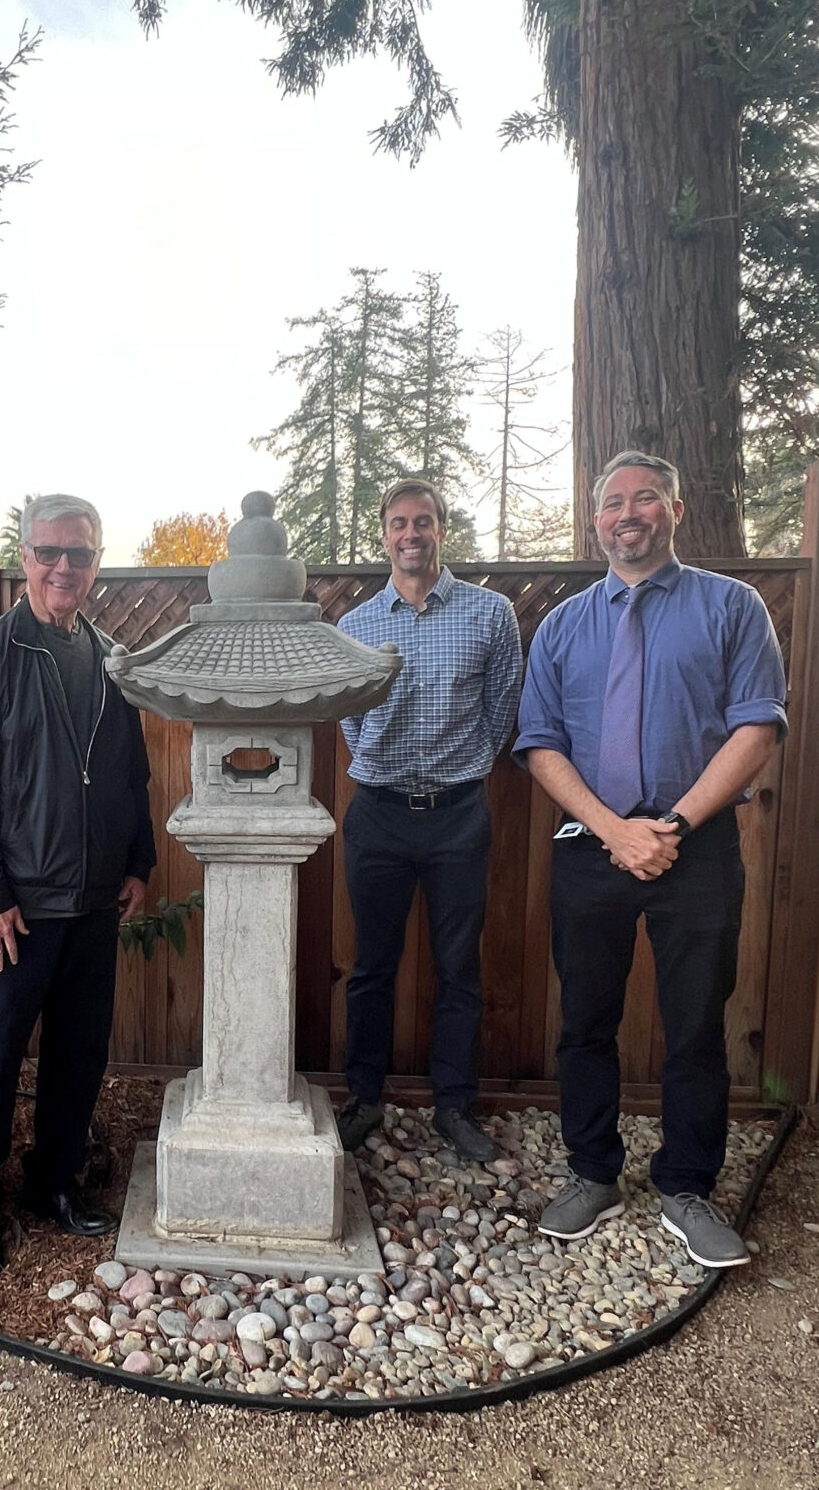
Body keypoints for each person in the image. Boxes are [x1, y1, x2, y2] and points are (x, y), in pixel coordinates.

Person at [515, 452, 786, 1268]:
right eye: (612, 503)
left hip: (695, 851)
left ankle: (687, 1187)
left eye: (644, 499)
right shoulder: (563, 625)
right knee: (585, 1021)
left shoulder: (731, 607)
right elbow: (540, 742)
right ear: (595, 520)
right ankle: (592, 1172)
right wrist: (613, 829)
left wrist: (669, 825)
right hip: (590, 847)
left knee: (696, 1022)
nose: (627, 514)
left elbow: (757, 727)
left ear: (675, 509)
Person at [0, 493, 155, 1282]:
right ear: (25, 558)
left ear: (97, 563)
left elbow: (131, 774)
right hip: (17, 909)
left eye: (80, 553)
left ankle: (52, 1182)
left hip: (94, 899)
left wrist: (139, 863)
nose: (64, 566)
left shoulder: (111, 657)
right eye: (49, 552)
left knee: (78, 1054)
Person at [335, 479, 523, 1163]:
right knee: (371, 968)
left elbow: (502, 707)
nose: (410, 534)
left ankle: (454, 1106)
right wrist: (384, 766)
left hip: (457, 817)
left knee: (459, 969)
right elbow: (351, 721)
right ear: (384, 535)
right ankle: (364, 1099)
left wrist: (462, 766)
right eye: (398, 523)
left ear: (442, 529)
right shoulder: (355, 626)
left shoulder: (490, 614)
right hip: (379, 816)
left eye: (423, 521)